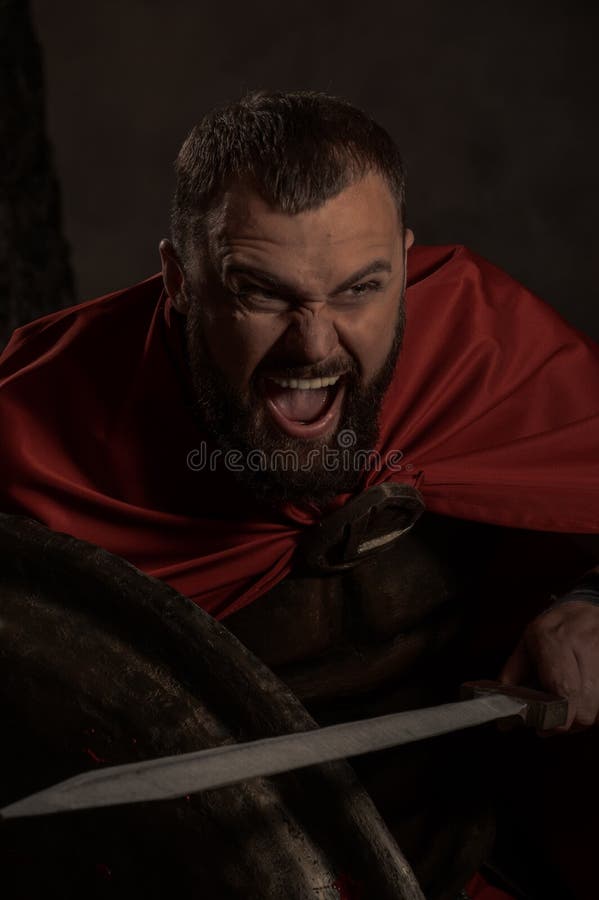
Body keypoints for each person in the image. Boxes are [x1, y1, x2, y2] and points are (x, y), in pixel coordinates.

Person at [1, 90, 598, 899]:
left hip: (468, 868)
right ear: (179, 279)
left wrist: (590, 600)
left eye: (359, 288)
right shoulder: (33, 427)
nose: (314, 344)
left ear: (403, 262)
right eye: (261, 291)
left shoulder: (479, 346)